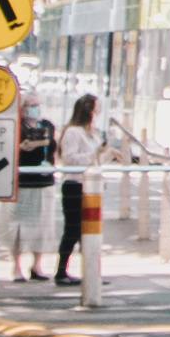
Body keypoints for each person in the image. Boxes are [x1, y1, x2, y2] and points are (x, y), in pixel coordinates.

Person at [53, 90, 103, 290]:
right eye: (96, 108)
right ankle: (61, 271)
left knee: (89, 231)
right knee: (73, 229)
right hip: (75, 184)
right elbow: (70, 158)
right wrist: (94, 153)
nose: (98, 112)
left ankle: (91, 272)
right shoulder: (73, 132)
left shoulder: (92, 132)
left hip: (91, 186)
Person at [13, 88, 58, 279]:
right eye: (31, 105)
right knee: (21, 226)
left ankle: (37, 265)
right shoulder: (17, 127)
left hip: (45, 182)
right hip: (24, 183)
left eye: (37, 105)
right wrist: (22, 147)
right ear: (22, 108)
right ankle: (16, 267)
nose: (35, 109)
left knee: (43, 226)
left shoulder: (47, 125)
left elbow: (54, 148)